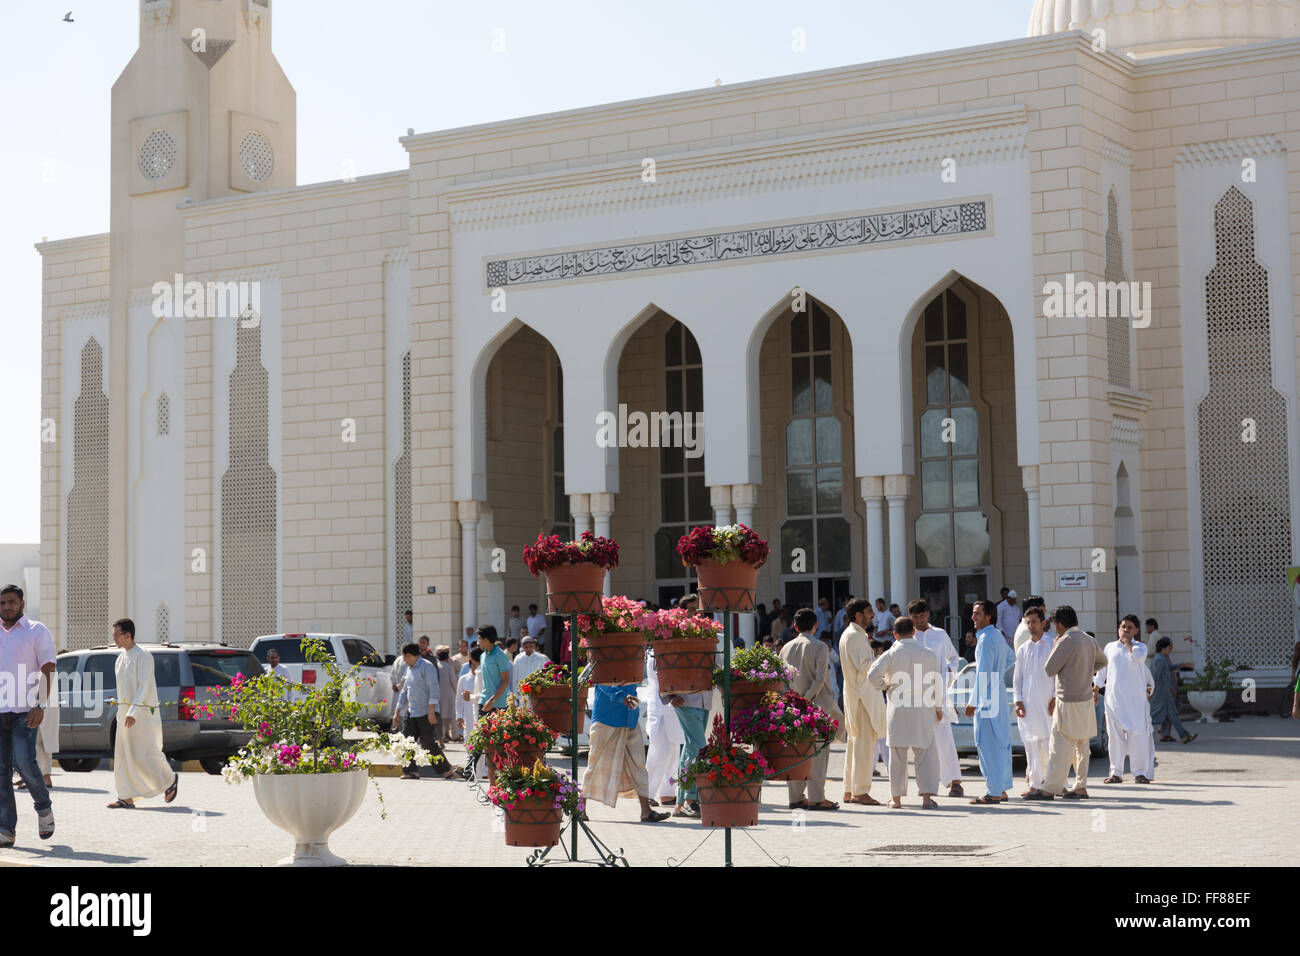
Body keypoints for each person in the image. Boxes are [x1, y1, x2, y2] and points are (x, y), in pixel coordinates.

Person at [1024, 606, 1107, 801]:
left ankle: (1049, 789)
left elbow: (1050, 668)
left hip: (1067, 701)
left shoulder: (1065, 640)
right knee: (1082, 746)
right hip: (1085, 700)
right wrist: (1086, 671)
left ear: (1060, 624)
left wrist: (1055, 646)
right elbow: (1103, 661)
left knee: (1059, 747)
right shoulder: (1088, 639)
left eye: (1055, 625)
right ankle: (1081, 786)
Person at [867, 617, 942, 809]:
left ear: (895, 634)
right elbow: (937, 682)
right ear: (914, 631)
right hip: (923, 709)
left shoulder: (891, 654)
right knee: (924, 754)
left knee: (897, 756)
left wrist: (885, 686)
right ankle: (926, 798)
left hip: (897, 710)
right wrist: (938, 707)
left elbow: (871, 675)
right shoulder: (929, 654)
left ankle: (896, 799)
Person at [0, 585, 56, 843]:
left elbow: (48, 668)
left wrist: (40, 705)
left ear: (22, 603)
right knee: (1, 772)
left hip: (25, 713)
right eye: (2, 603)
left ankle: (43, 808)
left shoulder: (36, 631)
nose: (6, 607)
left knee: (24, 764)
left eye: (11, 602)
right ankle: (6, 830)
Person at [106, 618, 178, 809]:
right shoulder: (120, 658)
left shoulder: (144, 655)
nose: (114, 638)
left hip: (142, 715)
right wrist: (123, 712)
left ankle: (169, 780)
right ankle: (126, 796)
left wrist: (134, 712)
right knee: (123, 756)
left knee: (146, 753)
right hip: (124, 716)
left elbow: (145, 686)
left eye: (116, 634)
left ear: (128, 635)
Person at [779, 608, 840, 811]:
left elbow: (782, 681)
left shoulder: (785, 648)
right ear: (816, 625)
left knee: (796, 750)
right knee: (819, 753)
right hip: (817, 706)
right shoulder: (820, 646)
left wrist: (793, 701)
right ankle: (817, 798)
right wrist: (806, 699)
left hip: (792, 707)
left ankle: (795, 797)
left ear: (795, 626)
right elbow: (820, 679)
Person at [583, 681, 669, 822]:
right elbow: (603, 682)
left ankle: (646, 812)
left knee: (638, 764)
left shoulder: (632, 660)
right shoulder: (602, 659)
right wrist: (622, 697)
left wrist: (629, 700)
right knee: (595, 763)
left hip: (630, 718)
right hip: (606, 718)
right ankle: (580, 809)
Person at [910, 599, 964, 797]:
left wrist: (949, 673)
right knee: (921, 742)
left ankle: (955, 782)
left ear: (928, 615)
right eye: (915, 617)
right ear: (910, 617)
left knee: (944, 739)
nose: (919, 621)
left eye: (922, 616)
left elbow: (954, 658)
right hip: (914, 695)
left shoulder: (940, 635)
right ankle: (926, 785)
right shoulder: (908, 636)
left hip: (938, 693)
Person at [1096, 615, 1154, 784]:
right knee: (1115, 739)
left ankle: (1139, 772)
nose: (1125, 630)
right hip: (1114, 701)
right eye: (1123, 627)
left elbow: (1137, 658)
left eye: (1129, 627)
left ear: (1136, 630)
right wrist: (1096, 687)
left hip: (1135, 702)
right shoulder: (1109, 647)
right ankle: (1116, 772)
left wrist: (1129, 643)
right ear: (1118, 629)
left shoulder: (1140, 648)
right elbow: (1102, 670)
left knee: (1137, 737)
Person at [839, 599, 886, 805]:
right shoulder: (854, 636)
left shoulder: (853, 634)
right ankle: (860, 791)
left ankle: (851, 790)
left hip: (858, 696)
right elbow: (867, 666)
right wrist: (884, 662)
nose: (872, 615)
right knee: (864, 745)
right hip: (862, 698)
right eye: (868, 612)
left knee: (856, 744)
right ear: (858, 615)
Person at [966, 600, 1012, 805]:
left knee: (987, 743)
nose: (973, 618)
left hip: (987, 699)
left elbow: (983, 674)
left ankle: (993, 791)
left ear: (989, 616)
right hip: (998, 694)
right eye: (973, 613)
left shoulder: (985, 639)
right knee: (1000, 742)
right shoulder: (997, 636)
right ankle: (1000, 788)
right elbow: (1011, 659)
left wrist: (973, 701)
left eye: (977, 614)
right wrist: (998, 674)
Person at [392, 643, 456, 780]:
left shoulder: (427, 667)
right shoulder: (409, 669)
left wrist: (432, 710)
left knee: (427, 743)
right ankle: (411, 771)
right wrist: (397, 712)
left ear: (409, 655)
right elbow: (404, 691)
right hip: (412, 712)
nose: (403, 659)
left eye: (404, 657)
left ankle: (447, 769)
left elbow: (434, 689)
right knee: (406, 741)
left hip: (427, 712)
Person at [1013, 606, 1054, 795]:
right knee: (1031, 745)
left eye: (1034, 622)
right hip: (1028, 704)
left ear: (1043, 623)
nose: (1031, 626)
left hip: (1048, 704)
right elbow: (1018, 678)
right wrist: (1018, 700)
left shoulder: (1052, 645)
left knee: (1051, 744)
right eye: (1028, 622)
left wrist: (1055, 698)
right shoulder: (1023, 649)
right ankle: (1034, 785)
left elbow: (1059, 676)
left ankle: (1054, 784)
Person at [644, 646, 685, 808]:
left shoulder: (672, 650)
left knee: (673, 752)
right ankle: (647, 794)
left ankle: (667, 793)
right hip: (660, 708)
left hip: (673, 710)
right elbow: (658, 677)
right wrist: (671, 697)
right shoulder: (654, 653)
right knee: (657, 753)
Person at [1149, 636, 1196, 743]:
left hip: (1163, 693)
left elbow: (1167, 669)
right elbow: (1155, 677)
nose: (1170, 650)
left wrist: (1181, 665)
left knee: (1172, 715)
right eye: (1169, 648)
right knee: (1152, 716)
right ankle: (1135, 732)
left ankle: (1184, 736)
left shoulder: (1160, 658)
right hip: (1162, 694)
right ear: (1163, 648)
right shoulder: (1160, 660)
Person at [476, 626, 510, 715]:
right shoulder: (482, 656)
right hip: (483, 701)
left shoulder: (500, 655)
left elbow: (505, 681)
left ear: (486, 639)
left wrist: (492, 700)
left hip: (499, 705)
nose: (478, 641)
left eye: (479, 638)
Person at [435, 647, 460, 742]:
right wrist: (457, 691)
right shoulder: (449, 667)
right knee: (453, 716)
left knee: (441, 717)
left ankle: (442, 736)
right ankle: (455, 735)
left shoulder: (436, 666)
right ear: (447, 657)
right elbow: (453, 681)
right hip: (449, 694)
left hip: (438, 694)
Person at [456, 647, 481, 742]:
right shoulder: (464, 679)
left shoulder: (484, 676)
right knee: (469, 739)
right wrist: (459, 716)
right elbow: (458, 699)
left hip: (481, 714)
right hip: (468, 715)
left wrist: (471, 697)